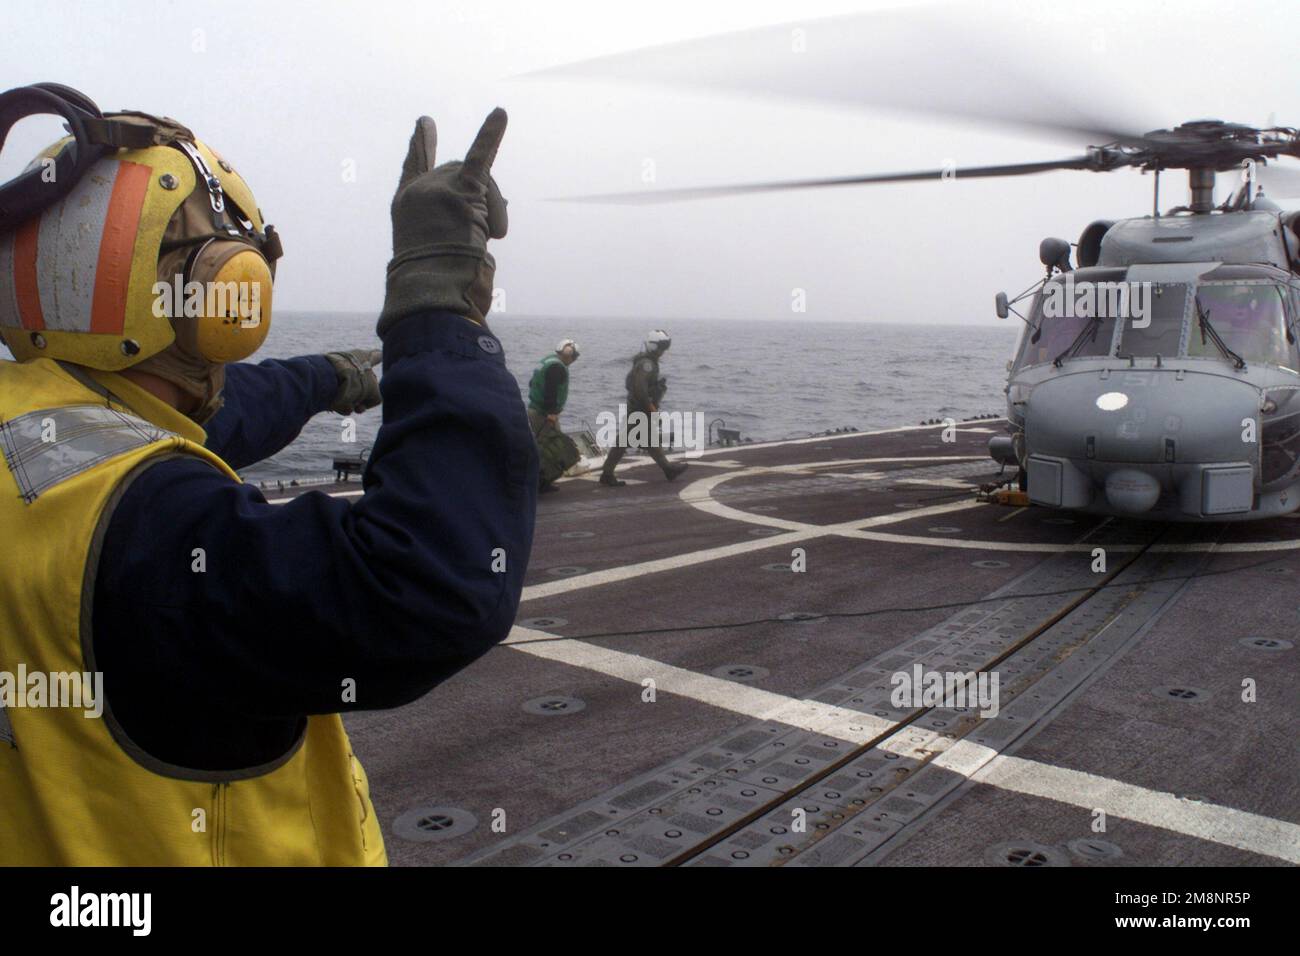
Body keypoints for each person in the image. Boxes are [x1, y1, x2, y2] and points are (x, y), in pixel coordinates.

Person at [0, 85, 535, 865]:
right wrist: (437, 306)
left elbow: (221, 414)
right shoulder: (155, 526)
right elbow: (432, 580)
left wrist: (335, 377)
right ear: (223, 286)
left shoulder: (38, 435)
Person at [599, 329, 688, 487]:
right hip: (640, 409)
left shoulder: (646, 362)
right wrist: (651, 408)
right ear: (654, 347)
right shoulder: (647, 364)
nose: (663, 351)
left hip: (638, 407)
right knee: (625, 441)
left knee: (648, 440)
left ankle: (668, 469)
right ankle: (607, 474)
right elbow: (640, 389)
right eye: (661, 347)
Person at [528, 339, 581, 492]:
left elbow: (533, 383)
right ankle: (539, 483)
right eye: (574, 357)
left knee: (545, 447)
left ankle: (543, 481)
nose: (574, 361)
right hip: (543, 414)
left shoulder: (547, 361)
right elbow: (551, 391)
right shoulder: (557, 367)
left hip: (535, 409)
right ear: (569, 354)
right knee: (549, 449)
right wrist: (551, 412)